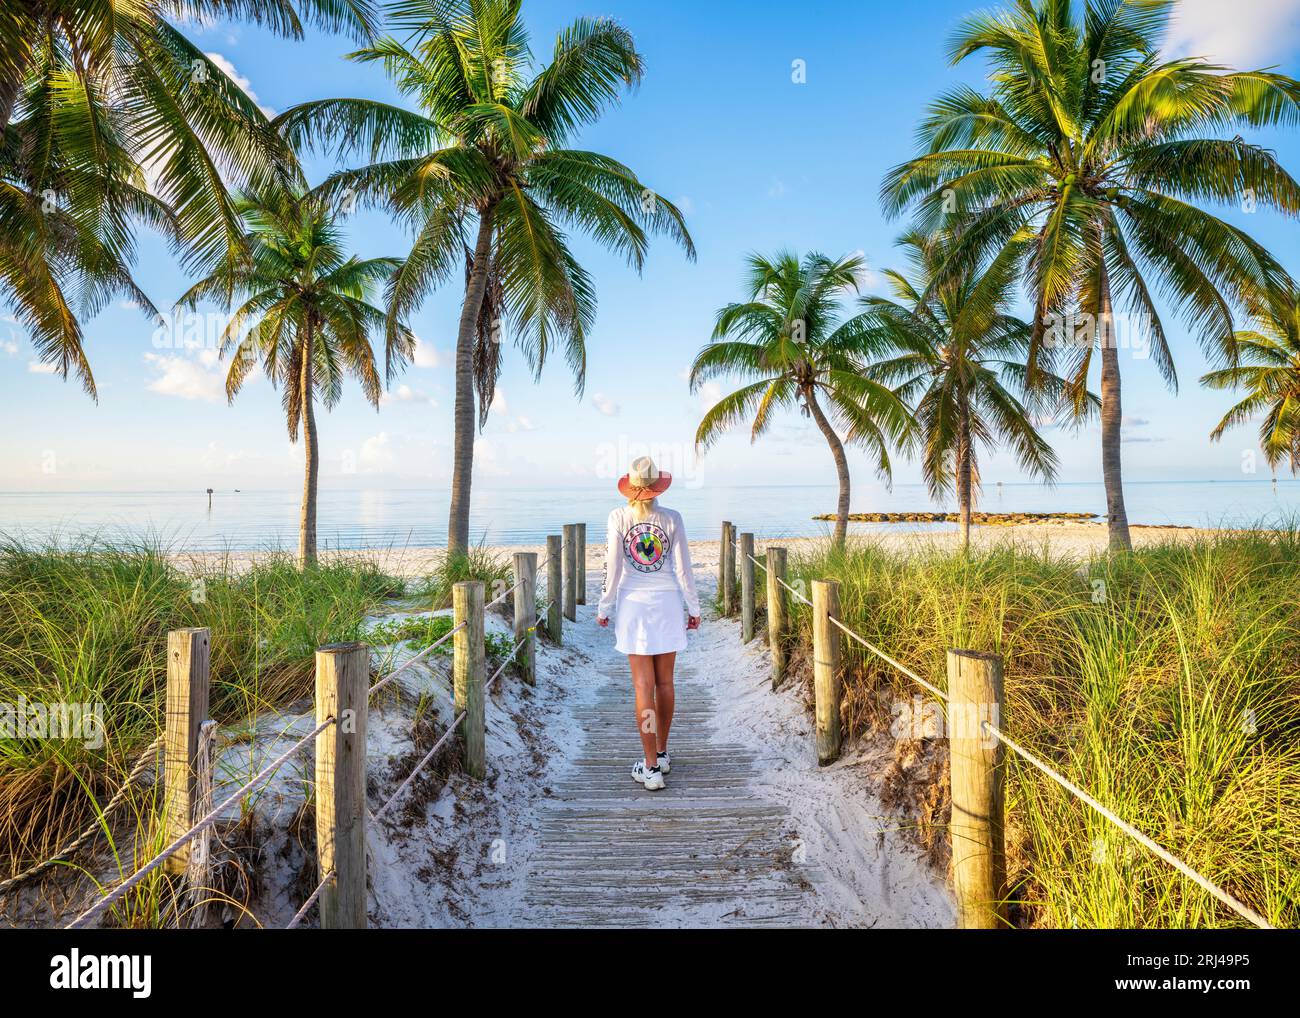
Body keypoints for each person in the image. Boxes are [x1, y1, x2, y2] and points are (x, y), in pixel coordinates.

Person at [595, 456, 701, 791]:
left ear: (631, 487)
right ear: (656, 487)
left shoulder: (617, 517)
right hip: (668, 603)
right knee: (665, 684)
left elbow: (612, 569)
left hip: (634, 607)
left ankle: (651, 767)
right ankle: (662, 752)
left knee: (643, 687)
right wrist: (693, 607)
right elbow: (684, 569)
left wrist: (604, 606)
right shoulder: (673, 518)